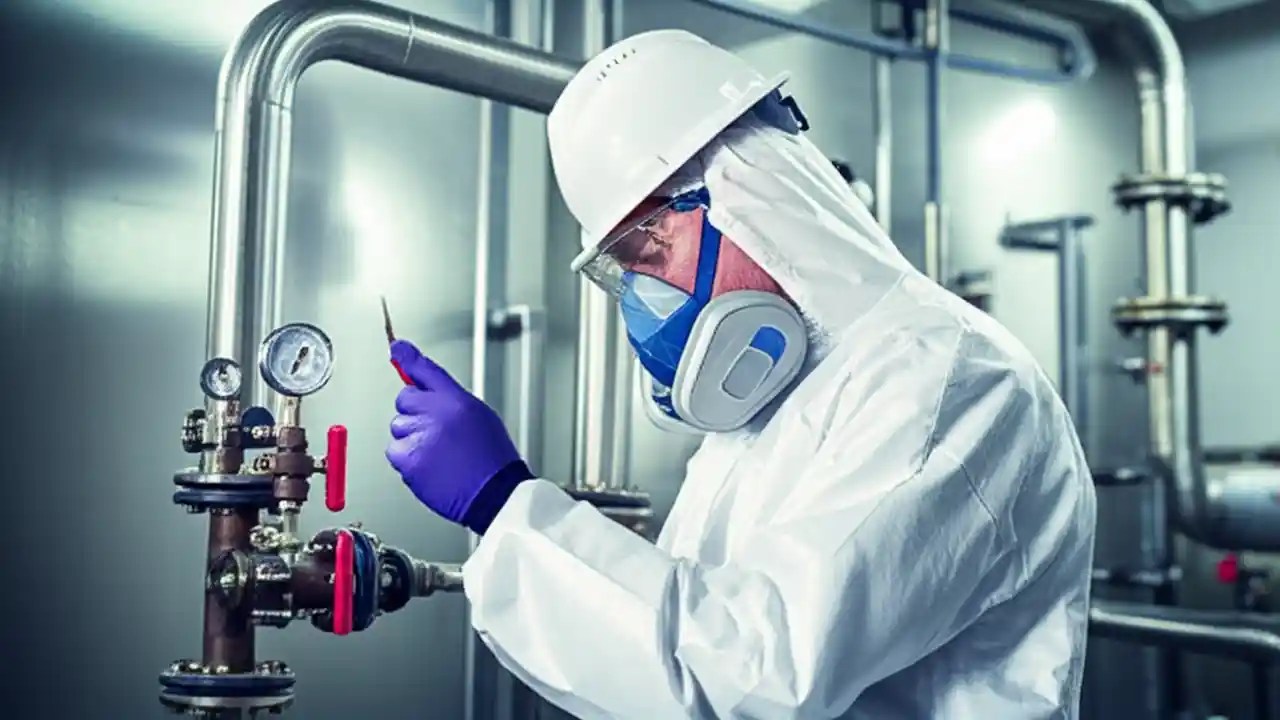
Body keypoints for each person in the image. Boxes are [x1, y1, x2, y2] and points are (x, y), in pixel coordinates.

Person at [386, 29, 1097, 720]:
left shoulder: (949, 379)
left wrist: (503, 501)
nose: (644, 301)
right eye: (625, 273)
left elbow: (751, 674)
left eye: (649, 250)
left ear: (751, 194)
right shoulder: (775, 406)